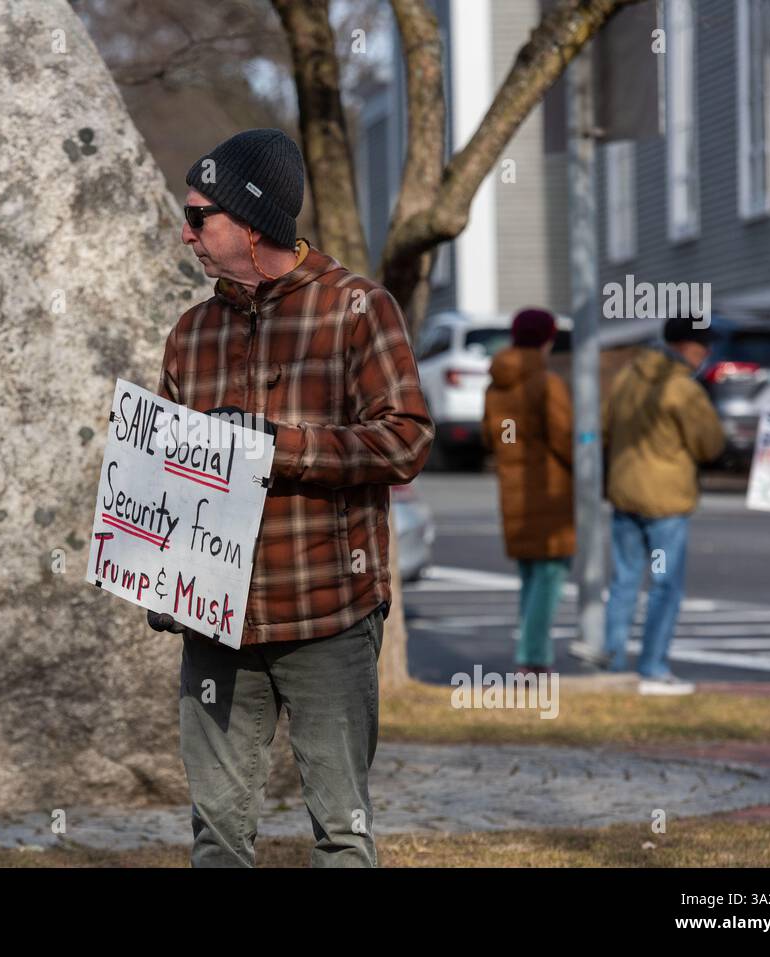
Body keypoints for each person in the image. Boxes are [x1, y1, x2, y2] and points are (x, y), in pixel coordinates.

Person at [148, 129, 434, 867]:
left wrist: (282, 444)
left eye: (198, 215)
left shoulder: (357, 309)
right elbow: (167, 475)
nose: (186, 232)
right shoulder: (190, 335)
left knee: (341, 833)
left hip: (327, 614)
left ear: (249, 225)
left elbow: (405, 440)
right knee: (217, 835)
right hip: (216, 623)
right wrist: (156, 569)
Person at [601, 315, 725, 695]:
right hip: (665, 504)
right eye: (703, 349)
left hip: (625, 495)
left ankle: (612, 664)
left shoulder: (626, 379)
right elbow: (710, 444)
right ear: (690, 348)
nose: (704, 357)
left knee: (623, 582)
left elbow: (604, 427)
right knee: (664, 585)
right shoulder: (682, 389)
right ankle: (653, 668)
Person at [480, 308, 574, 674]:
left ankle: (531, 654)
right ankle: (533, 659)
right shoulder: (546, 383)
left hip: (514, 491)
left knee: (530, 577)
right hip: (549, 491)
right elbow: (564, 437)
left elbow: (494, 436)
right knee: (550, 576)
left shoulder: (496, 385)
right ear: (546, 339)